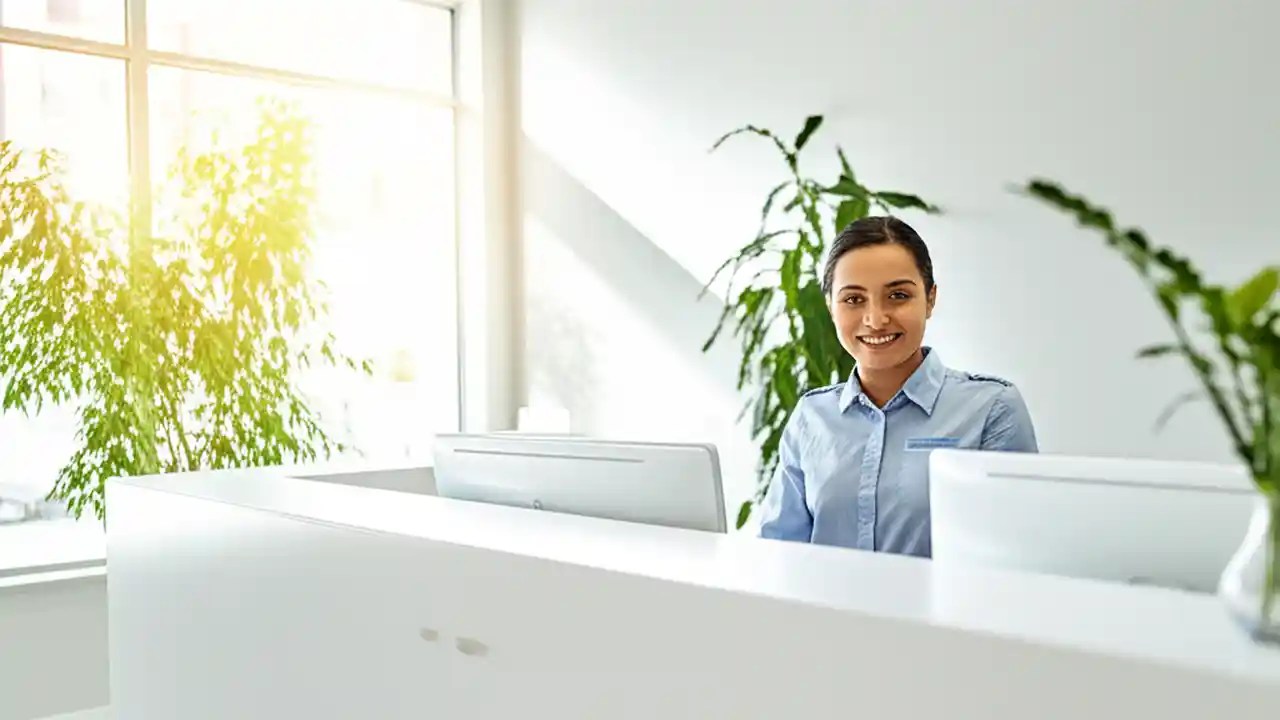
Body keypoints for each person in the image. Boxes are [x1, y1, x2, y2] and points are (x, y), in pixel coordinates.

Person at [757, 216, 1038, 557]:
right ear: (830, 306)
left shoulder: (991, 410)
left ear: (930, 299)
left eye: (898, 295)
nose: (876, 319)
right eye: (853, 299)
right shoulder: (811, 416)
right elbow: (778, 553)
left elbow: (1019, 554)